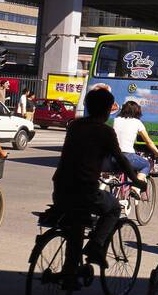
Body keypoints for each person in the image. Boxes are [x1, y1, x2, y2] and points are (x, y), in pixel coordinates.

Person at [52, 87, 145, 279]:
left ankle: (70, 270)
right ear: (106, 110)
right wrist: (136, 180)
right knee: (113, 209)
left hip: (60, 187)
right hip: (84, 190)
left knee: (76, 225)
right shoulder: (104, 131)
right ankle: (95, 246)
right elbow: (121, 160)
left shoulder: (75, 126)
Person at [112, 100, 158, 176]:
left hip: (113, 156)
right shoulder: (137, 122)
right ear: (137, 111)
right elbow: (148, 142)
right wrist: (157, 152)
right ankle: (136, 187)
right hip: (127, 155)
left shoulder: (116, 120)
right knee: (146, 165)